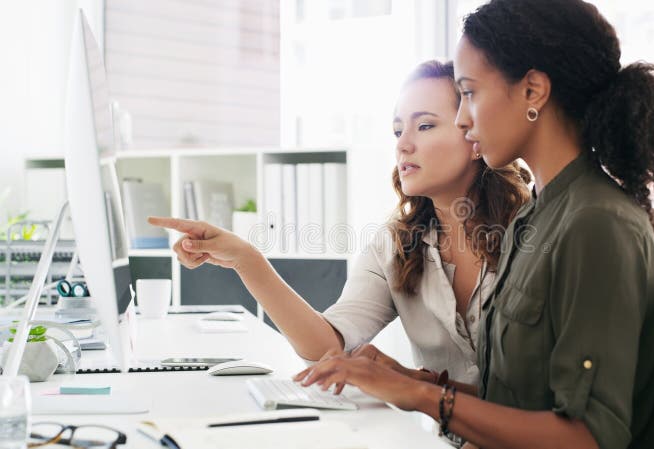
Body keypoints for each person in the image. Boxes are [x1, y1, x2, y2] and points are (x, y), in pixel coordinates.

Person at [294, 1, 654, 448]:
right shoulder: (535, 216)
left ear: (533, 91)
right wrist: (408, 379)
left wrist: (425, 397)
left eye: (470, 93)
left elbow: (587, 437)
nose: (462, 117)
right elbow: (521, 402)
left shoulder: (596, 225)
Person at [148, 60, 532, 387]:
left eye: (425, 126)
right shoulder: (394, 246)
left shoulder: (536, 231)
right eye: (398, 131)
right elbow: (326, 347)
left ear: (475, 133)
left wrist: (414, 383)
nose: (402, 144)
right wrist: (247, 260)